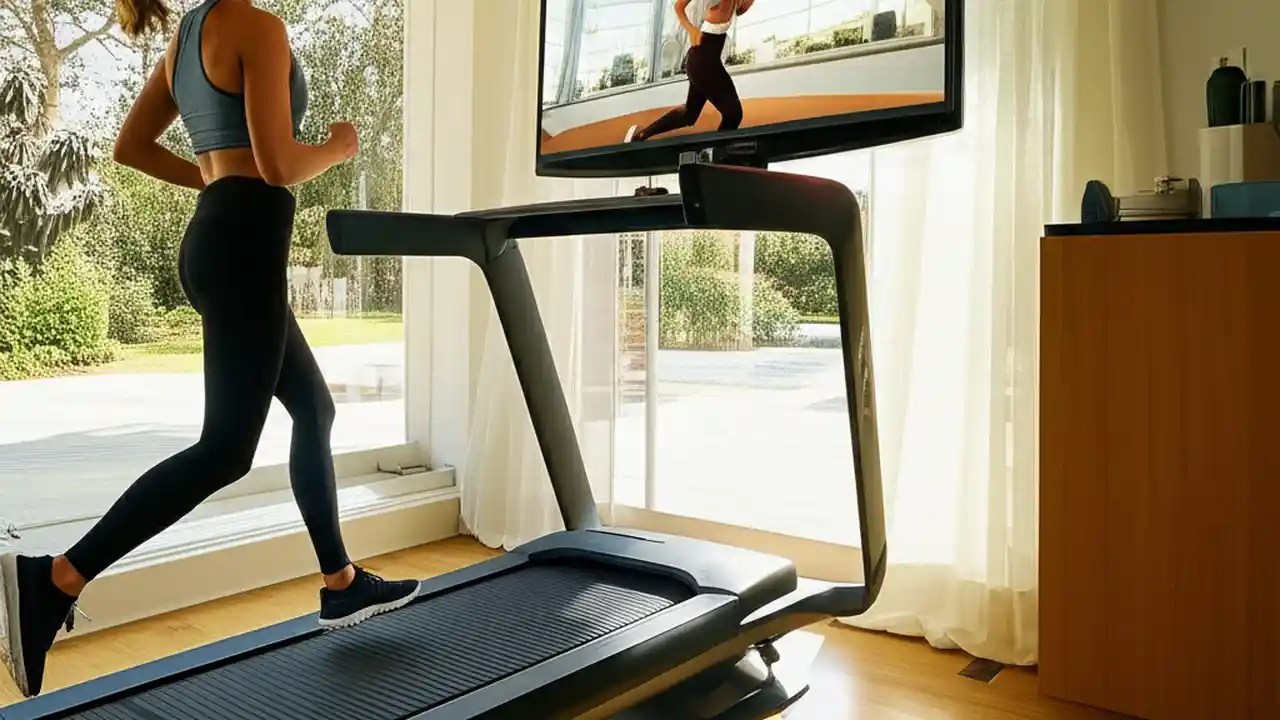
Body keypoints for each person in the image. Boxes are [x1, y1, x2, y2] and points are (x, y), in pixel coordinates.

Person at [0, 0, 419, 698]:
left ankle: (340, 581)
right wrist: (339, 148)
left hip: (220, 235)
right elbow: (280, 165)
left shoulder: (188, 35)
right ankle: (55, 578)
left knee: (313, 408)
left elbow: (130, 147)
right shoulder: (257, 26)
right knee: (225, 450)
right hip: (246, 240)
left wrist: (213, 181)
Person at [624, 0, 755, 143]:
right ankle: (717, 153)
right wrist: (691, 29)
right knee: (733, 114)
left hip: (703, 62)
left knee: (689, 114)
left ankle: (641, 136)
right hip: (704, 63)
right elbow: (678, 6)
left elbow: (738, 12)